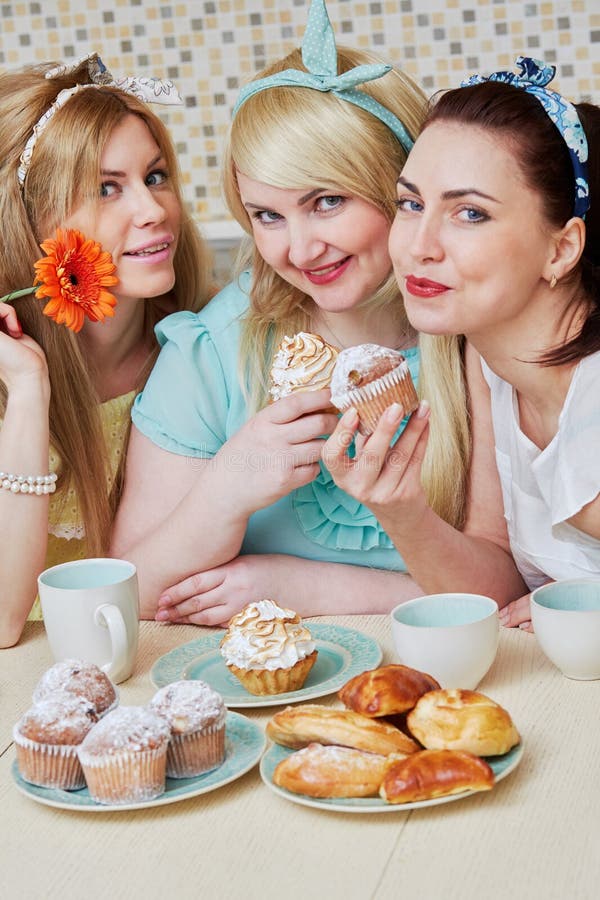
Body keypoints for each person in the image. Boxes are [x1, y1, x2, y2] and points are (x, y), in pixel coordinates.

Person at [111, 0, 460, 625]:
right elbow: (126, 596)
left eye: (326, 201)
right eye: (267, 216)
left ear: (403, 189)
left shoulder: (475, 341)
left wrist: (311, 588)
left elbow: (528, 584)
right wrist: (224, 492)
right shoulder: (213, 353)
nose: (298, 250)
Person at [323, 56, 600, 631]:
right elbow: (495, 586)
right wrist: (401, 510)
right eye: (411, 203)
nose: (419, 246)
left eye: (470, 213)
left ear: (561, 248)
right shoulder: (488, 359)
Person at [0, 54, 213, 647]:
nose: (153, 212)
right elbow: (1, 621)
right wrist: (27, 392)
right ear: (32, 220)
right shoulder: (8, 374)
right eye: (105, 189)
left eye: (155, 176)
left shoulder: (209, 347)